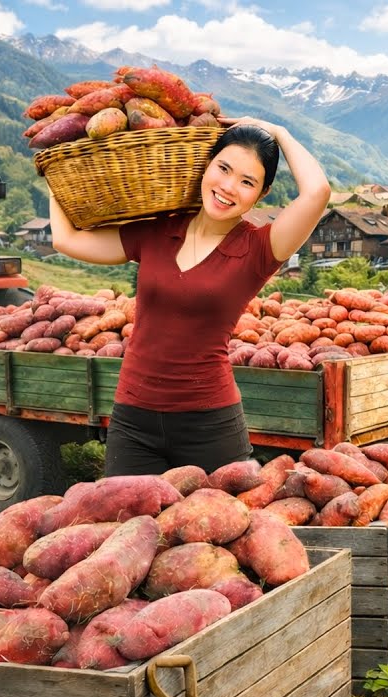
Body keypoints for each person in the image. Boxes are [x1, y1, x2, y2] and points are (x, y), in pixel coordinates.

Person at [50, 117, 330, 475]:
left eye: (247, 182)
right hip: (134, 420)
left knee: (216, 529)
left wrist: (279, 131)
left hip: (210, 425)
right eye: (223, 169)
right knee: (125, 525)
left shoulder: (259, 249)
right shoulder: (157, 230)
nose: (229, 187)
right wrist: (55, 171)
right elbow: (67, 239)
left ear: (261, 195)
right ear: (206, 166)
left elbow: (317, 191)